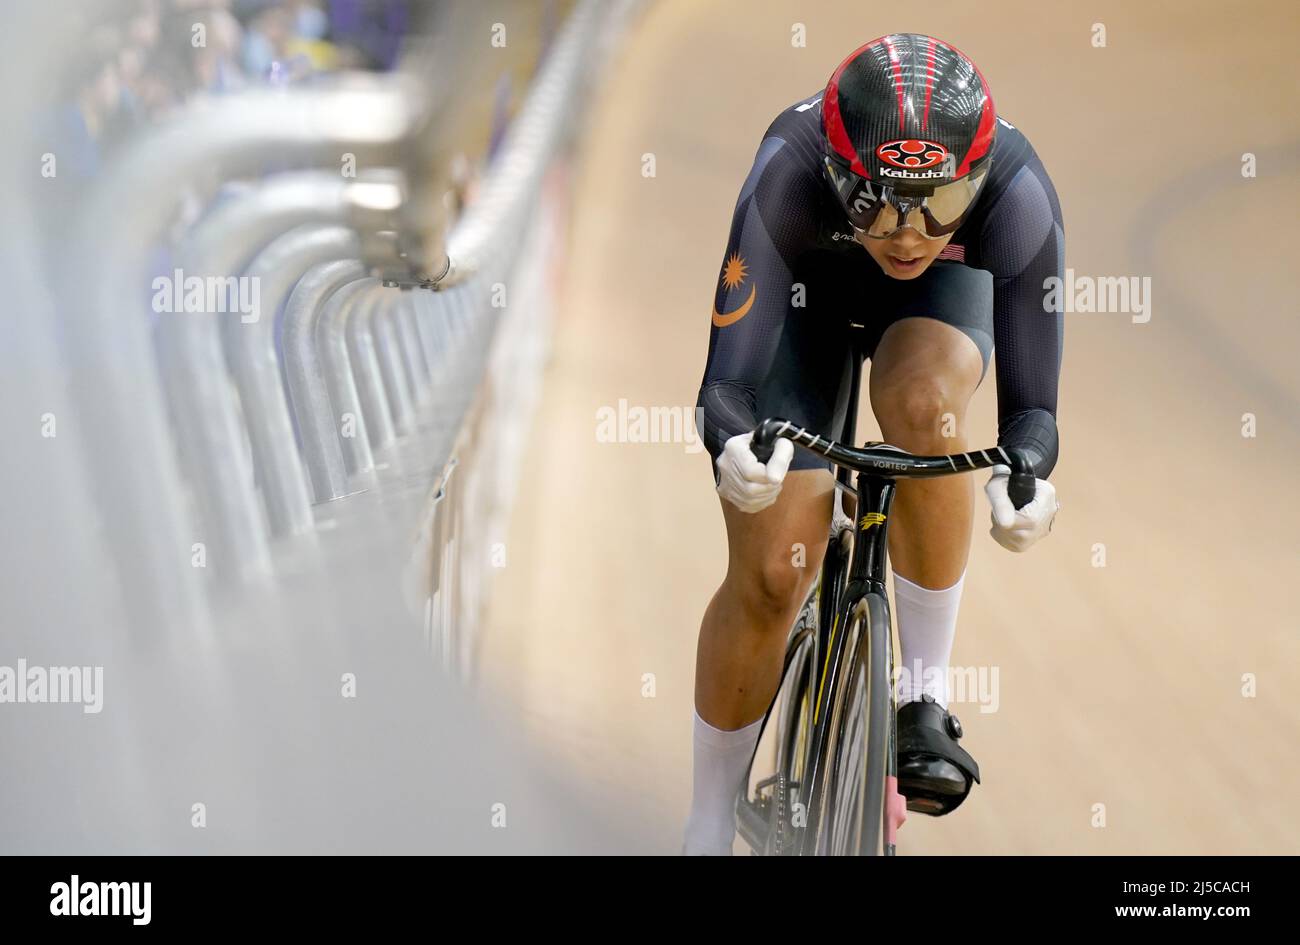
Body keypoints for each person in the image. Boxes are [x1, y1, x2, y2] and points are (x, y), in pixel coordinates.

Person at [685, 33, 1063, 855]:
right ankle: (708, 821)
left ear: (978, 179)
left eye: (940, 206)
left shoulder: (1016, 190)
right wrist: (734, 446)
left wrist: (1027, 472)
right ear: (835, 173)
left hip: (930, 309)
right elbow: (727, 386)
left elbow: (1033, 414)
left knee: (923, 403)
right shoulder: (789, 169)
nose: (908, 234)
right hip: (805, 295)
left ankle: (922, 691)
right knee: (771, 574)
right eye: (879, 204)